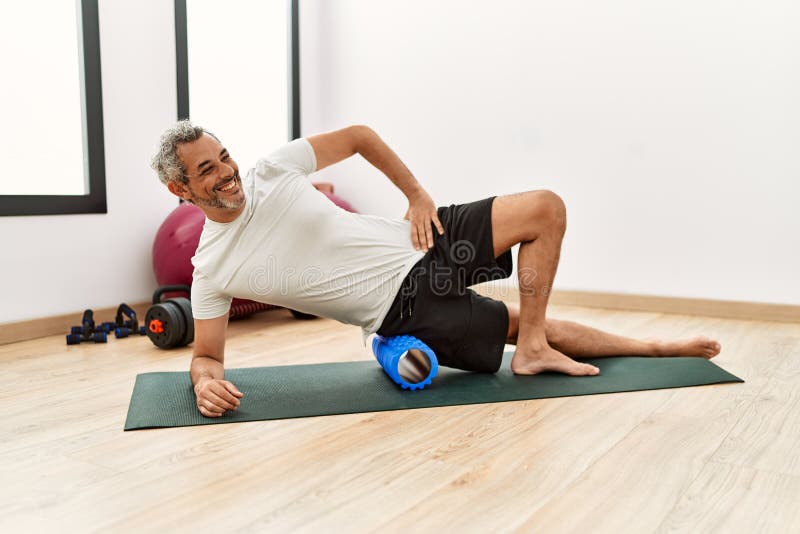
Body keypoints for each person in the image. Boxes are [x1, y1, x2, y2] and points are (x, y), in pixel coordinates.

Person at [151, 121, 722, 418]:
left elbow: (359, 136)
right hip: (406, 312)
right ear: (181, 189)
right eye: (207, 170)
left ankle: (534, 348)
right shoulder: (212, 269)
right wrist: (205, 384)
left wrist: (418, 195)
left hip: (424, 241)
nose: (226, 172)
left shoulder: (271, 170)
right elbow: (207, 357)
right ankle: (651, 347)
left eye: (224, 156)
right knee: (513, 323)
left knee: (545, 208)